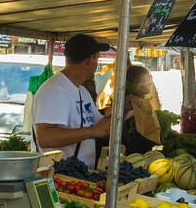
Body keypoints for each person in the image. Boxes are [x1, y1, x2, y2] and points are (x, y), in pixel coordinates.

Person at [33, 34, 128, 167]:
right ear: (90, 59)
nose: (96, 65)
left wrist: (126, 110)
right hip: (58, 176)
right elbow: (45, 137)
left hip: (79, 175)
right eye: (97, 59)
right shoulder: (55, 90)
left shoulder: (81, 91)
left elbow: (101, 126)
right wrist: (91, 131)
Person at [121, 65, 161, 155]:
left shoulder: (141, 103)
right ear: (135, 83)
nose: (150, 83)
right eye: (146, 79)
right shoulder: (128, 104)